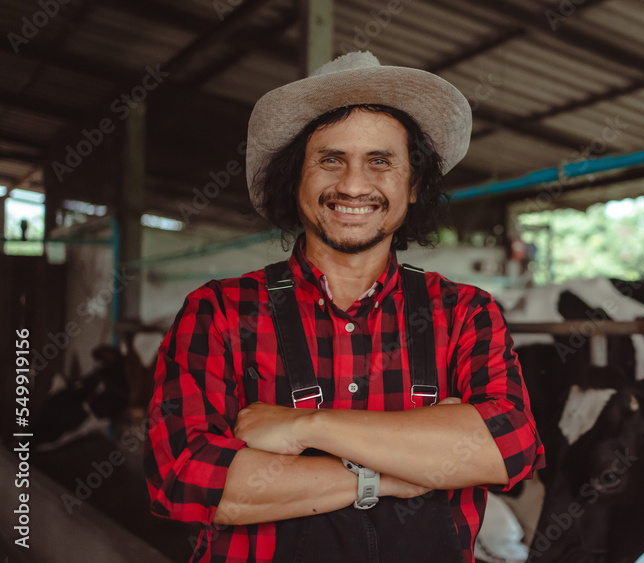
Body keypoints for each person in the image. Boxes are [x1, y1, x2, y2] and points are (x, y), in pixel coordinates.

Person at [144, 51, 544, 563]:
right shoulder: (219, 311)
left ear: (414, 184)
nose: (354, 185)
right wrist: (393, 473)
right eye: (331, 160)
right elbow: (185, 478)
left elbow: (508, 446)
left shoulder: (465, 311)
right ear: (296, 179)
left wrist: (305, 427)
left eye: (380, 161)